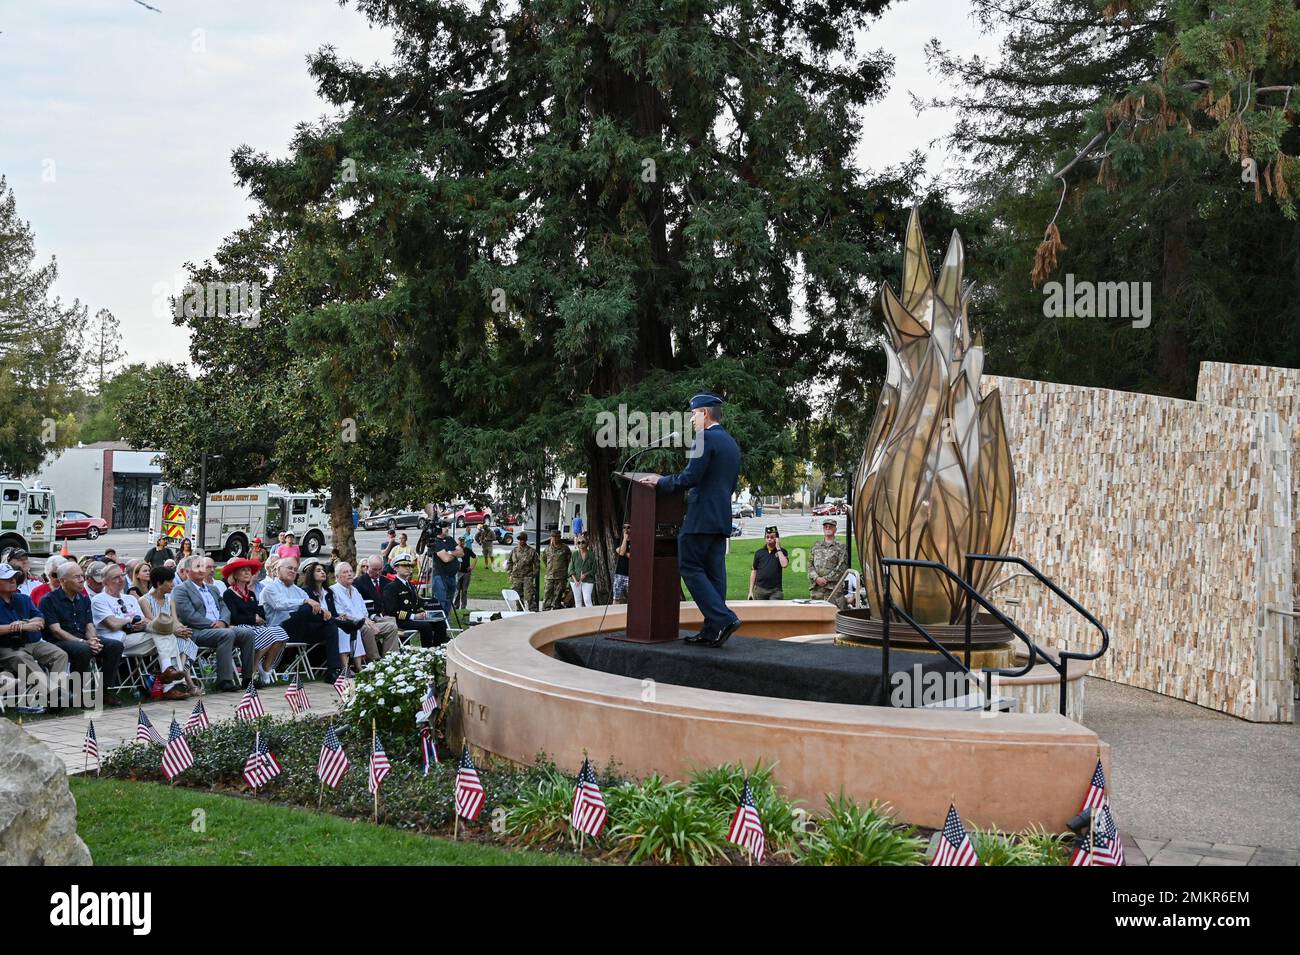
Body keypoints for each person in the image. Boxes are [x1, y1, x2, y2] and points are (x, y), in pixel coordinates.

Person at [639, 392, 742, 647]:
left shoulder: (704, 438)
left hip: (700, 518)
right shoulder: (731, 443)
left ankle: (724, 618)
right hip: (720, 518)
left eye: (693, 414)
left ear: (704, 414)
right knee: (714, 574)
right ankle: (712, 630)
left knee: (689, 566)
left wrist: (660, 481)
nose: (691, 420)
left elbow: (690, 478)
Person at [91, 563, 189, 700]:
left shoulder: (130, 599)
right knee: (164, 634)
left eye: (122, 576)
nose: (121, 580)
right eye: (116, 577)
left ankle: (169, 679)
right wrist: (130, 621)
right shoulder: (99, 600)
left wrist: (140, 623)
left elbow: (142, 620)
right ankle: (171, 681)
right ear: (105, 582)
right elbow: (112, 624)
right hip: (117, 641)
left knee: (168, 634)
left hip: (139, 638)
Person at [43, 562, 125, 706]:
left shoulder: (84, 599)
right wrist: (84, 642)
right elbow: (56, 631)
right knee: (83, 649)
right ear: (63, 581)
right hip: (58, 641)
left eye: (82, 575)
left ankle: (104, 692)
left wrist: (93, 640)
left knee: (115, 645)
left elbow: (89, 624)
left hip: (82, 638)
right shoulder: (49, 600)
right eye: (76, 577)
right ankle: (77, 694)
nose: (82, 580)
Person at [173, 556, 259, 692]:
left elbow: (224, 608)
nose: (201, 570)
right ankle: (224, 680)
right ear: (188, 571)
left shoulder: (212, 589)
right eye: (197, 567)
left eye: (202, 566)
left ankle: (248, 679)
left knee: (248, 633)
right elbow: (188, 615)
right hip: (198, 631)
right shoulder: (181, 590)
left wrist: (223, 621)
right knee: (227, 634)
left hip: (220, 627)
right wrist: (212, 624)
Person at [0, 562, 68, 712]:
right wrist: (20, 626)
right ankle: (53, 695)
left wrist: (24, 623)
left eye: (13, 577)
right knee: (20, 657)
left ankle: (57, 700)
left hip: (32, 642)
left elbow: (40, 620)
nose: (12, 580)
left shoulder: (23, 598)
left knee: (59, 654)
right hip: (6, 647)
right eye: (7, 578)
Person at [260, 556, 338, 680]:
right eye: (289, 568)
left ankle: (333, 671)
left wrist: (323, 610)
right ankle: (341, 622)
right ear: (278, 569)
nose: (292, 571)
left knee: (331, 627)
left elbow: (313, 607)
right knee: (306, 608)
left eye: (295, 569)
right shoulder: (269, 588)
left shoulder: (298, 591)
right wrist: (305, 601)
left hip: (301, 630)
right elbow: (280, 604)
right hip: (280, 630)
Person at [221, 557, 289, 686]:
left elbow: (259, 610)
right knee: (270, 634)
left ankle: (265, 667)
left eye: (249, 570)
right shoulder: (229, 594)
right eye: (243, 570)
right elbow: (233, 617)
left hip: (255, 627)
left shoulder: (250, 594)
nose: (248, 573)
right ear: (235, 574)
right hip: (239, 627)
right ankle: (253, 668)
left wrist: (259, 617)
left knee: (280, 632)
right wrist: (253, 618)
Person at [139, 565, 202, 697]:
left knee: (185, 641)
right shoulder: (144, 600)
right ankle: (185, 683)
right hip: (154, 635)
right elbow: (154, 623)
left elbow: (174, 620)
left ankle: (176, 681)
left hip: (169, 635)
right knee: (177, 640)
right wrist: (175, 631)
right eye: (170, 581)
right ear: (159, 583)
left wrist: (181, 629)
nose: (173, 584)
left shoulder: (170, 600)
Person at [331, 561, 401, 672]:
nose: (350, 574)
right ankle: (375, 662)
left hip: (365, 622)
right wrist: (364, 621)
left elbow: (364, 611)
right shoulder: (334, 591)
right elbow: (340, 614)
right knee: (366, 628)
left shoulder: (354, 590)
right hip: (350, 625)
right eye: (345, 572)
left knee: (391, 626)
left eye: (351, 571)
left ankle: (390, 661)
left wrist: (369, 620)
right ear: (337, 576)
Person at [382, 553, 448, 646]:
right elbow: (392, 611)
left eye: (409, 565)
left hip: (414, 619)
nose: (408, 568)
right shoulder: (391, 587)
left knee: (440, 622)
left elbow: (417, 603)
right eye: (404, 565)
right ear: (396, 568)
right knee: (425, 626)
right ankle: (427, 651)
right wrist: (413, 616)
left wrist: (422, 612)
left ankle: (437, 649)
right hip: (401, 621)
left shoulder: (410, 585)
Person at [424, 521, 462, 624]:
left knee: (449, 601)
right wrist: (453, 553)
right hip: (440, 577)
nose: (447, 529)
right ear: (439, 529)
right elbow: (446, 559)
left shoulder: (450, 539)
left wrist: (450, 552)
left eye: (447, 526)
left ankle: (445, 621)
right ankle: (439, 622)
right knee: (441, 601)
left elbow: (461, 552)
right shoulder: (436, 542)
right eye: (445, 527)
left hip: (451, 576)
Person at [808, 518, 850, 608]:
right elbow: (810, 565)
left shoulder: (841, 547)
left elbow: (842, 567)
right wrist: (816, 578)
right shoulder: (816, 545)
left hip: (833, 590)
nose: (828, 528)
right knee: (815, 616)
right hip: (816, 590)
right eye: (825, 526)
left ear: (835, 529)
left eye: (830, 526)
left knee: (833, 617)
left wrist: (826, 579)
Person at [748, 526, 789, 600]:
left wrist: (778, 548)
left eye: (772, 537)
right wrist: (750, 591)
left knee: (775, 611)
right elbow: (754, 571)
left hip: (775, 590)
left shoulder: (782, 552)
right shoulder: (759, 553)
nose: (769, 539)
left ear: (777, 539)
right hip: (760, 589)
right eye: (767, 537)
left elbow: (784, 564)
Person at [506, 532, 539, 610]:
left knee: (529, 595)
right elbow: (509, 562)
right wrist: (510, 573)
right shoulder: (514, 550)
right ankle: (520, 611)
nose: (521, 541)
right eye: (519, 540)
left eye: (523, 540)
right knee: (517, 596)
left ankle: (532, 611)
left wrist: (533, 575)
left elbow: (537, 565)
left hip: (527, 577)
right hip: (516, 578)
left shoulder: (531, 551)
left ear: (526, 540)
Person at [542, 530, 570, 610]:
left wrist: (565, 571)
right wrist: (549, 568)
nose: (554, 538)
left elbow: (569, 561)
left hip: (561, 576)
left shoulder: (565, 548)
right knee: (547, 593)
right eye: (552, 537)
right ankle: (546, 609)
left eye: (556, 537)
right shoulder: (547, 548)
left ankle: (556, 609)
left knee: (558, 595)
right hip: (549, 576)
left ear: (559, 537)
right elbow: (544, 559)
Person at [568, 535, 596, 607]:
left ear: (586, 543)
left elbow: (594, 569)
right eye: (579, 542)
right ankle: (580, 616)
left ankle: (590, 615)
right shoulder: (574, 554)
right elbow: (570, 569)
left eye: (583, 542)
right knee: (578, 601)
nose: (581, 544)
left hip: (588, 580)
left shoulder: (591, 554)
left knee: (587, 599)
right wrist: (575, 580)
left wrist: (585, 575)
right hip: (575, 581)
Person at [455, 529, 475, 610]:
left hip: (466, 573)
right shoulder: (456, 550)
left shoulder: (467, 550)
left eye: (463, 541)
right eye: (460, 541)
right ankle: (456, 606)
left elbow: (475, 557)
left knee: (464, 590)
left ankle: (463, 606)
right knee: (457, 590)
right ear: (458, 542)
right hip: (458, 572)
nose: (462, 543)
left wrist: (472, 567)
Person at [613, 523, 631, 604]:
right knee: (616, 599)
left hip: (631, 575)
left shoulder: (636, 541)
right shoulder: (618, 540)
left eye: (628, 527)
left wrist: (626, 553)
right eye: (624, 527)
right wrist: (624, 539)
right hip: (620, 574)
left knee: (632, 599)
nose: (626, 529)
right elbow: (622, 552)